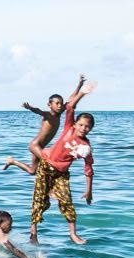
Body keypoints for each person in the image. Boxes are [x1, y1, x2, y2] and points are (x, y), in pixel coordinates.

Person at [31, 95, 95, 245]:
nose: (83, 128)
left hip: (61, 174)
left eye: (87, 127)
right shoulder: (68, 129)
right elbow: (71, 107)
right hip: (46, 168)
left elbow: (89, 169)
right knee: (39, 199)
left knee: (66, 201)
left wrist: (89, 191)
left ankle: (73, 234)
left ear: (90, 129)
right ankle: (33, 232)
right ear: (75, 124)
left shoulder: (85, 147)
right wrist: (82, 93)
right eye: (80, 125)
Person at [4, 75, 90, 174]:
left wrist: (79, 85)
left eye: (61, 103)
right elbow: (39, 111)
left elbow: (71, 100)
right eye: (57, 103)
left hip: (41, 147)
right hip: (35, 145)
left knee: (32, 171)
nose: (59, 105)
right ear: (49, 105)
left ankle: (12, 161)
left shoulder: (60, 111)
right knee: (50, 163)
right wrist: (30, 108)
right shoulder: (48, 115)